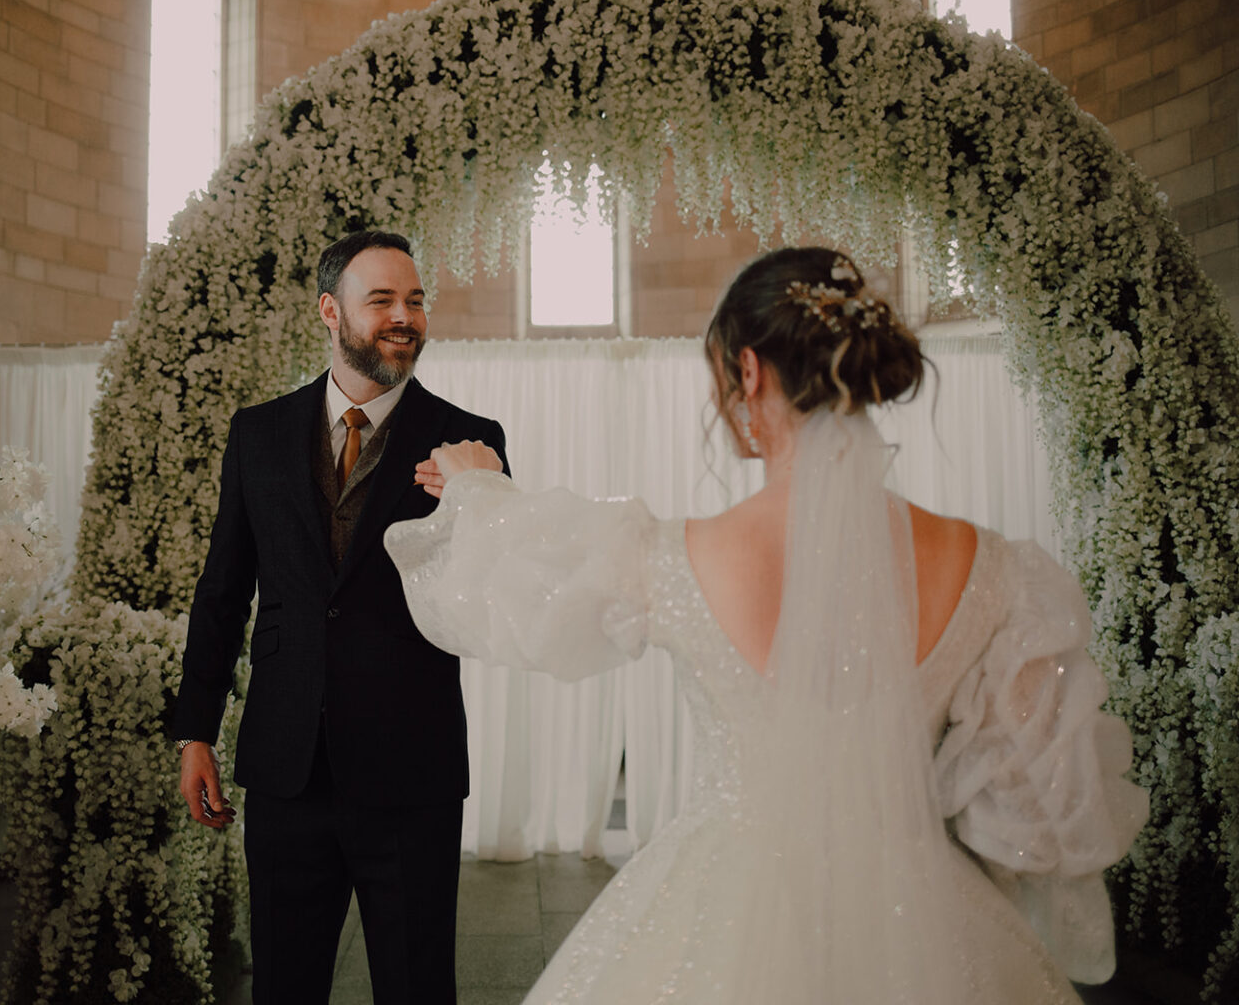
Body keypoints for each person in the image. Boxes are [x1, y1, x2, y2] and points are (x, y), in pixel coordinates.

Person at [385, 246, 1148, 1003]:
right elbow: (1039, 813)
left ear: (748, 371)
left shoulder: (676, 556)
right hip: (922, 907)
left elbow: (521, 593)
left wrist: (479, 493)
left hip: (722, 895)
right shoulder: (993, 569)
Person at [170, 230, 508, 1005]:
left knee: (418, 987)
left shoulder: (473, 444)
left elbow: (491, 602)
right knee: (284, 986)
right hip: (288, 767)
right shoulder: (257, 434)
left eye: (416, 300)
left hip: (411, 771)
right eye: (382, 299)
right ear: (330, 310)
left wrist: (490, 500)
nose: (405, 317)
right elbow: (223, 592)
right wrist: (196, 731)